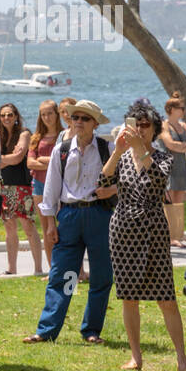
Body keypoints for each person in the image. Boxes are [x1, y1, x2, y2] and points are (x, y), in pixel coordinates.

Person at [99, 99, 186, 371]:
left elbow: (156, 181)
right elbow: (102, 185)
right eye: (135, 124)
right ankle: (136, 357)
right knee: (129, 297)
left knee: (166, 298)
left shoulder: (163, 157)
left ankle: (182, 361)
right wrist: (117, 152)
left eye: (145, 125)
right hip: (123, 230)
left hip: (153, 230)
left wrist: (140, 148)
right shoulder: (121, 156)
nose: (140, 129)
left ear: (154, 128)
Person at [24, 99, 117, 345]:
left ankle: (91, 330)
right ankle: (47, 330)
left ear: (95, 123)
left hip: (99, 215)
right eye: (75, 117)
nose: (78, 122)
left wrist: (113, 190)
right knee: (63, 274)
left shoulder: (108, 148)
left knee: (101, 275)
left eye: (85, 118)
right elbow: (51, 188)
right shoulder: (61, 149)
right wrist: (51, 223)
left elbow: (125, 180)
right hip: (69, 215)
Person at [0, 103, 42, 276]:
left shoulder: (24, 133)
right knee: (9, 229)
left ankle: (38, 268)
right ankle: (11, 268)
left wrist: (2, 159)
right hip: (4, 186)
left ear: (16, 116)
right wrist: (7, 158)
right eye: (3, 115)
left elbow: (17, 158)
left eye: (9, 115)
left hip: (22, 187)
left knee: (28, 227)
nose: (6, 118)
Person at [157, 92, 186, 247]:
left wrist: (180, 147)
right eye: (181, 108)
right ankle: (168, 235)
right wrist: (182, 147)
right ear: (171, 109)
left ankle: (177, 236)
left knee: (179, 202)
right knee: (169, 201)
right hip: (168, 167)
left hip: (181, 167)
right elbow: (169, 143)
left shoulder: (184, 126)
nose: (184, 111)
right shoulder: (163, 125)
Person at [28, 99, 62, 265]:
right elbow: (30, 163)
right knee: (46, 229)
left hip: (62, 186)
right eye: (43, 114)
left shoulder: (64, 136)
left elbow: (66, 162)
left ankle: (70, 267)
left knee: (64, 227)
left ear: (57, 114)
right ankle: (52, 268)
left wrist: (43, 159)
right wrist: (53, 162)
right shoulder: (36, 138)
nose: (47, 117)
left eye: (50, 113)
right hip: (40, 186)